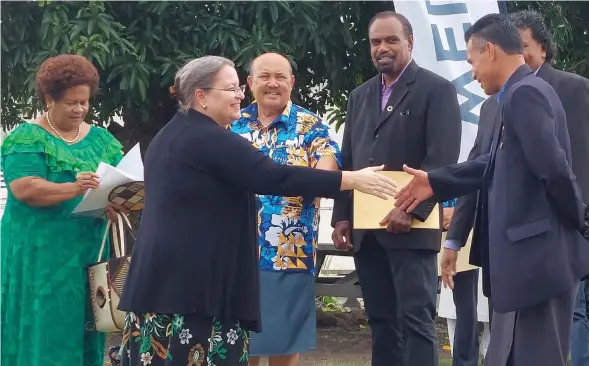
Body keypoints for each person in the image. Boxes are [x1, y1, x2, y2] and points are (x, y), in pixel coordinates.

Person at [117, 56, 398, 366]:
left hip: (170, 284)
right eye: (232, 88)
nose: (240, 95)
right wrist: (354, 179)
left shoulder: (173, 133)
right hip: (191, 292)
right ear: (202, 96)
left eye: (238, 88)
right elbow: (274, 175)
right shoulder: (208, 138)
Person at [395, 14, 589, 366]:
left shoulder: (525, 93)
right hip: (525, 263)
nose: (472, 73)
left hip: (539, 262)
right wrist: (435, 181)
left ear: (490, 50)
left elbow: (555, 170)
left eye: (472, 62)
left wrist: (580, 221)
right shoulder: (514, 95)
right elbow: (495, 163)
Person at [331, 11, 462, 366]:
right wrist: (343, 216)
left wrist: (411, 209)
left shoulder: (437, 89)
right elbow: (349, 160)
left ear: (410, 42)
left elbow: (442, 161)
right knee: (381, 322)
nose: (383, 48)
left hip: (411, 227)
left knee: (416, 321)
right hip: (367, 232)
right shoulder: (359, 96)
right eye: (376, 42)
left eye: (392, 40)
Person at [1, 54, 125, 366]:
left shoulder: (102, 140)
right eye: (71, 102)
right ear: (48, 99)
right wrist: (74, 187)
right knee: (45, 327)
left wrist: (117, 202)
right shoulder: (27, 138)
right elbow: (25, 189)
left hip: (90, 252)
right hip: (40, 256)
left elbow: (118, 182)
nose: (80, 109)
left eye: (85, 102)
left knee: (87, 325)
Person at [231, 52, 340, 366]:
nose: (272, 83)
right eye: (264, 76)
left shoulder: (310, 125)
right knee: (240, 343)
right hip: (237, 251)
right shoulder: (232, 123)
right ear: (250, 83)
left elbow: (326, 173)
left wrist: (315, 177)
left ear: (292, 82)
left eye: (280, 77)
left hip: (289, 250)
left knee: (284, 341)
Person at [508, 11, 589, 366]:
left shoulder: (574, 88)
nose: (518, 54)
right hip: (527, 228)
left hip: (574, 218)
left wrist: (580, 212)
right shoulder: (503, 95)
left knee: (577, 308)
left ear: (543, 47)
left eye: (523, 46)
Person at [441, 94, 500, 366]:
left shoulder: (489, 115)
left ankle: (466, 360)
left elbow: (476, 172)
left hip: (466, 219)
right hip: (425, 221)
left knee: (467, 303)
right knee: (425, 303)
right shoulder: (428, 135)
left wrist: (459, 216)